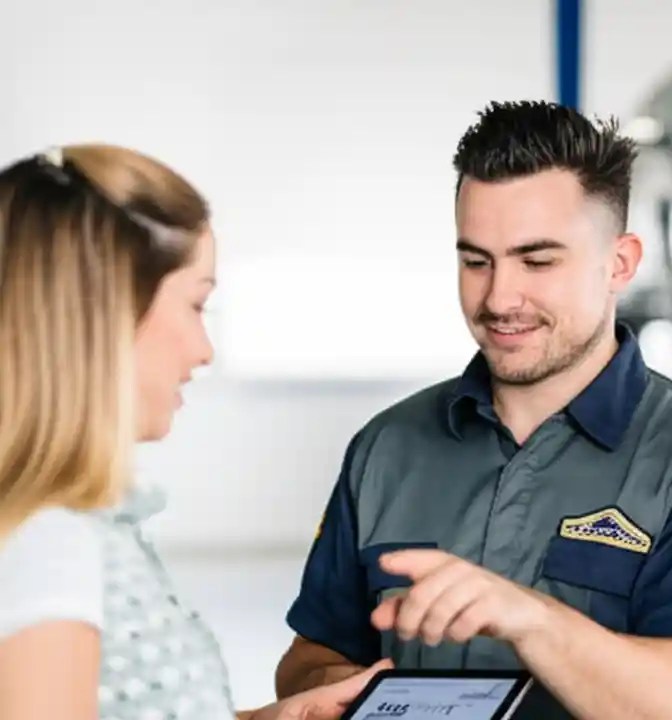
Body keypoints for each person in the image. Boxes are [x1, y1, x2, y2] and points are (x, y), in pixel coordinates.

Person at [275, 100, 672, 718]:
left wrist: (530, 619)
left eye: (537, 261)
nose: (499, 296)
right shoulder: (387, 447)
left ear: (619, 264)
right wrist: (351, 691)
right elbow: (307, 661)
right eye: (475, 261)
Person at [0, 145, 389, 720]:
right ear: (106, 312)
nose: (203, 351)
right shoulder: (48, 544)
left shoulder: (74, 530)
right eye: (195, 305)